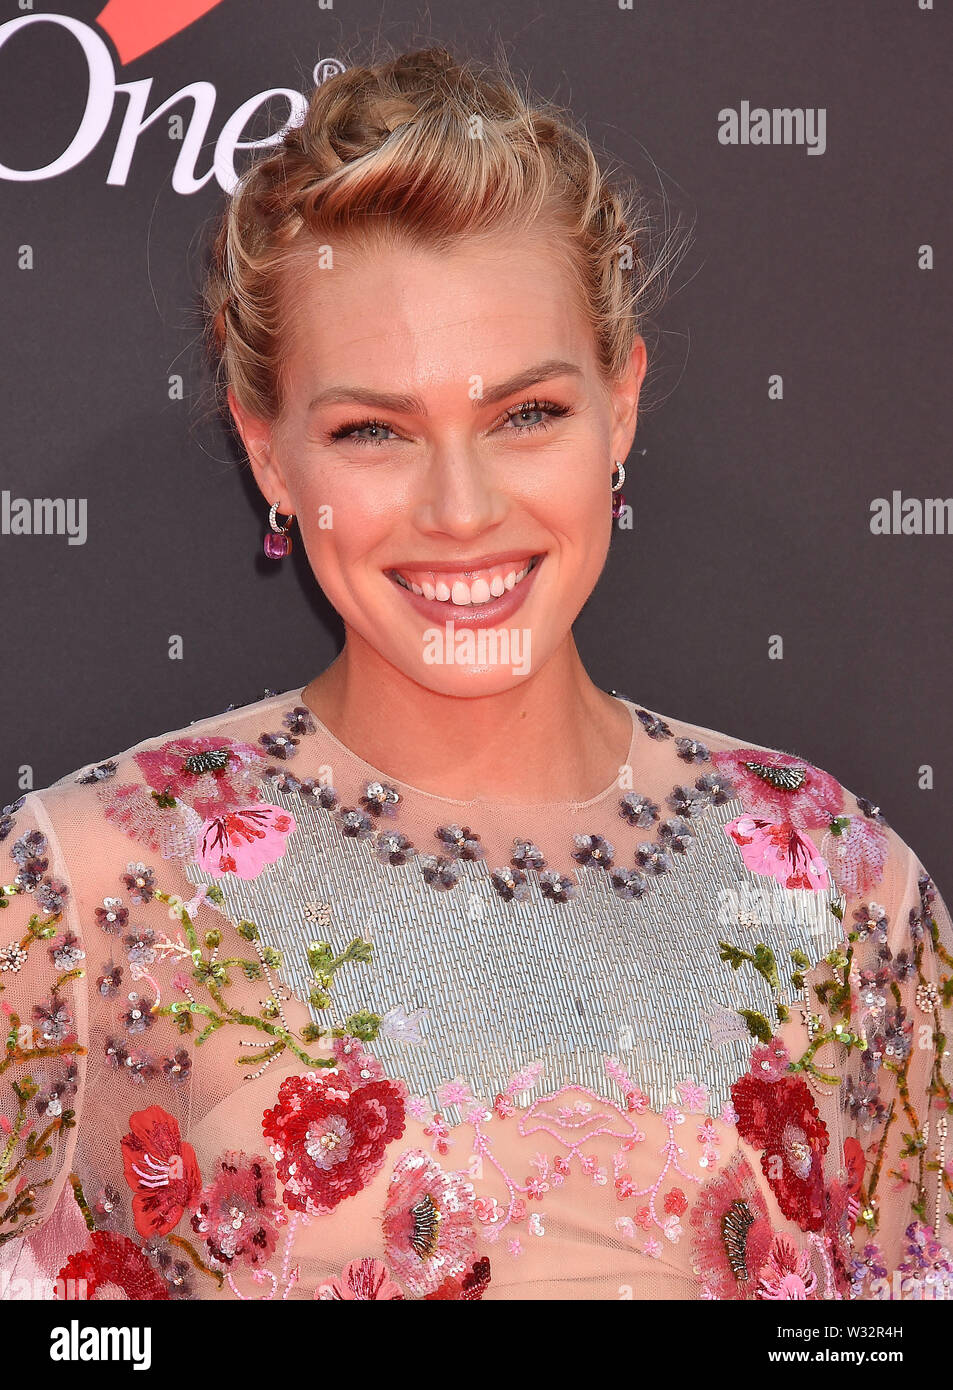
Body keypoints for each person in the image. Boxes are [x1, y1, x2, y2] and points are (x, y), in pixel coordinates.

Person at [1, 45, 950, 1304]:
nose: (460, 509)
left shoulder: (841, 884)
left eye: (524, 414)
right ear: (269, 455)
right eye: (371, 431)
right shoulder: (89, 890)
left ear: (618, 407)